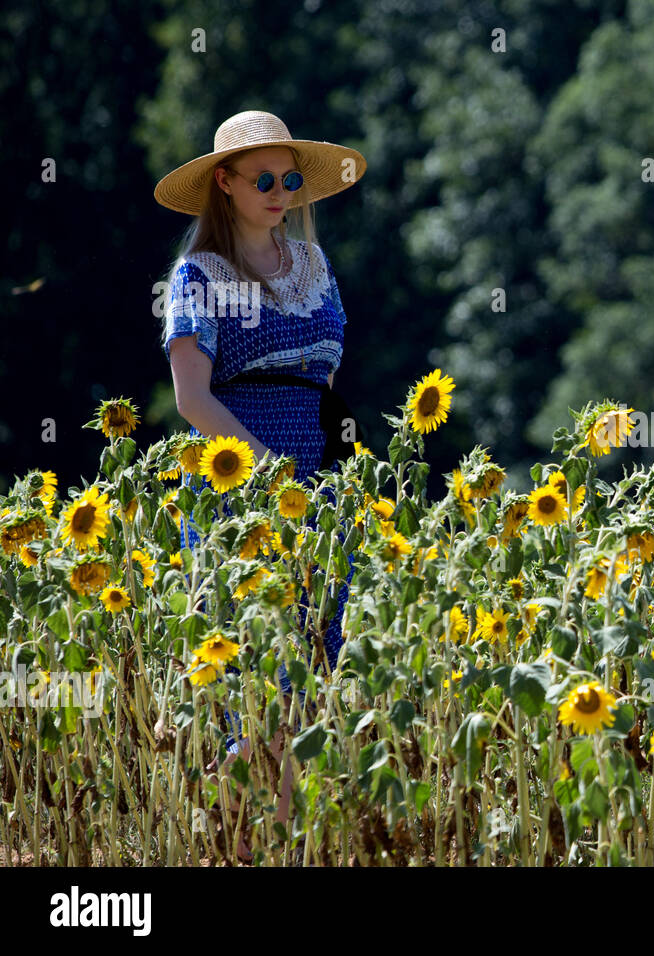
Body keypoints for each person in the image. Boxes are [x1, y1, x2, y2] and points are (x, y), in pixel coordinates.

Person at [153, 110, 367, 863]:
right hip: (238, 489)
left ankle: (280, 842)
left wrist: (326, 466)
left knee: (314, 665)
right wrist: (266, 471)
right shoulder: (197, 276)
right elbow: (192, 400)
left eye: (290, 178)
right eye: (265, 179)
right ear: (225, 183)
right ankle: (225, 838)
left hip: (321, 480)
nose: (281, 192)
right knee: (253, 670)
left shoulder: (311, 265)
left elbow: (325, 372)